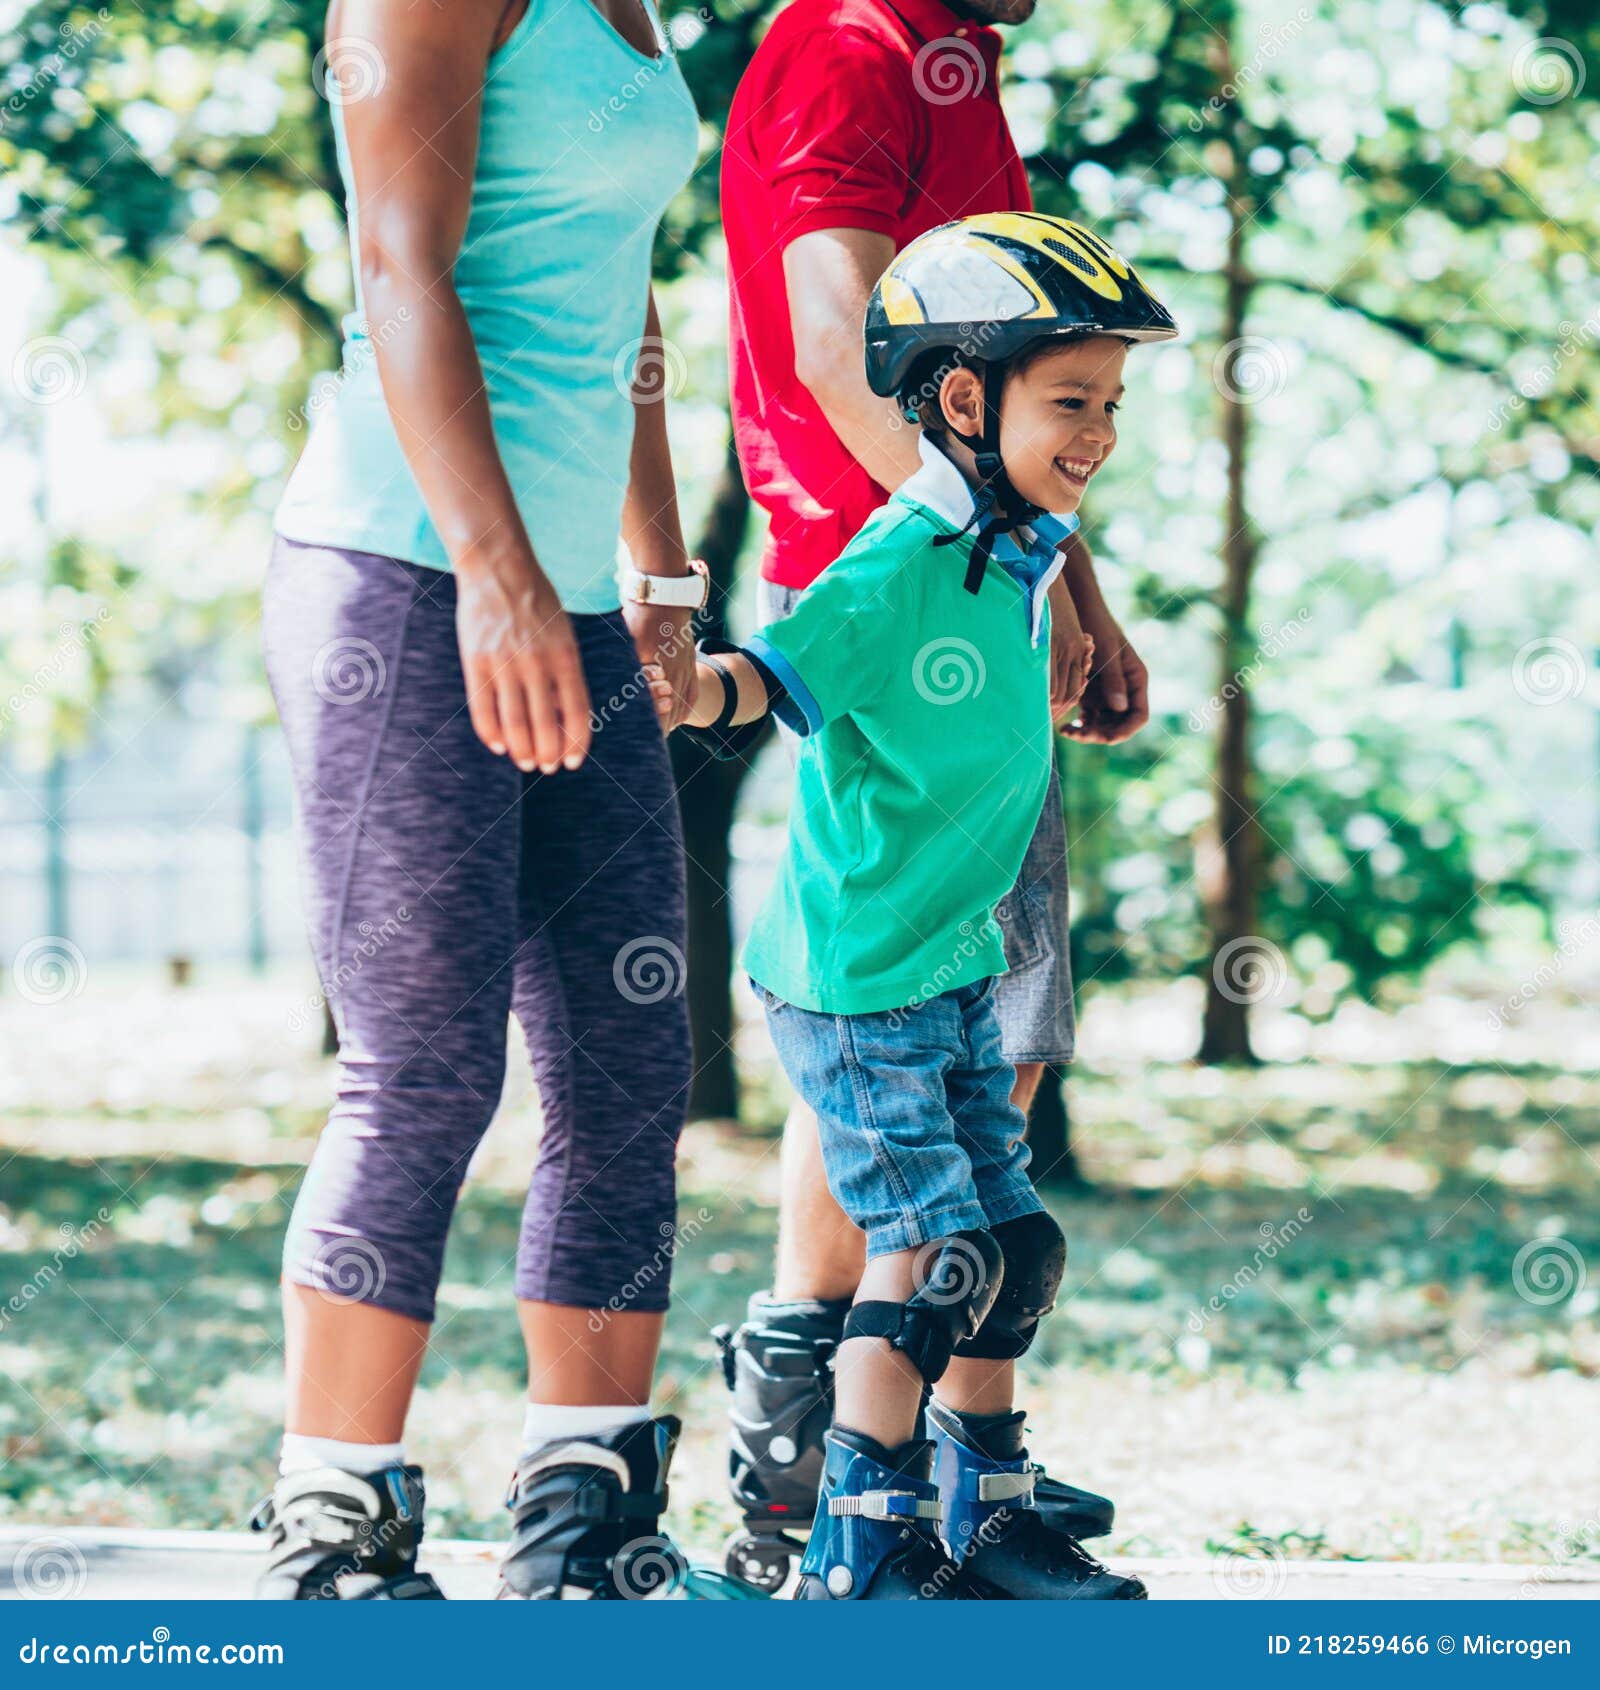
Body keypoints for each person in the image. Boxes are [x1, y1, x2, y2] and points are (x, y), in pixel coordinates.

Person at [253, 0, 705, 1599]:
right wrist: (497, 574)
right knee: (425, 1061)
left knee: (631, 1053)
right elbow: (399, 266)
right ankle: (335, 1512)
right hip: (405, 570)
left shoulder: (640, 10)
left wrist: (652, 566)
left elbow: (621, 297)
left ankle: (584, 1501)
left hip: (567, 584)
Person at [662, 214, 1178, 1598]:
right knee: (934, 1251)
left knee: (1013, 1245)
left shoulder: (1019, 552)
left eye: (1112, 404)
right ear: (964, 399)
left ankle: (987, 1511)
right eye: (1072, 401)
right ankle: (859, 1545)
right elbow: (774, 675)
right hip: (857, 978)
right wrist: (689, 683)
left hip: (940, 960)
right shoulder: (899, 561)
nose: (1099, 432)